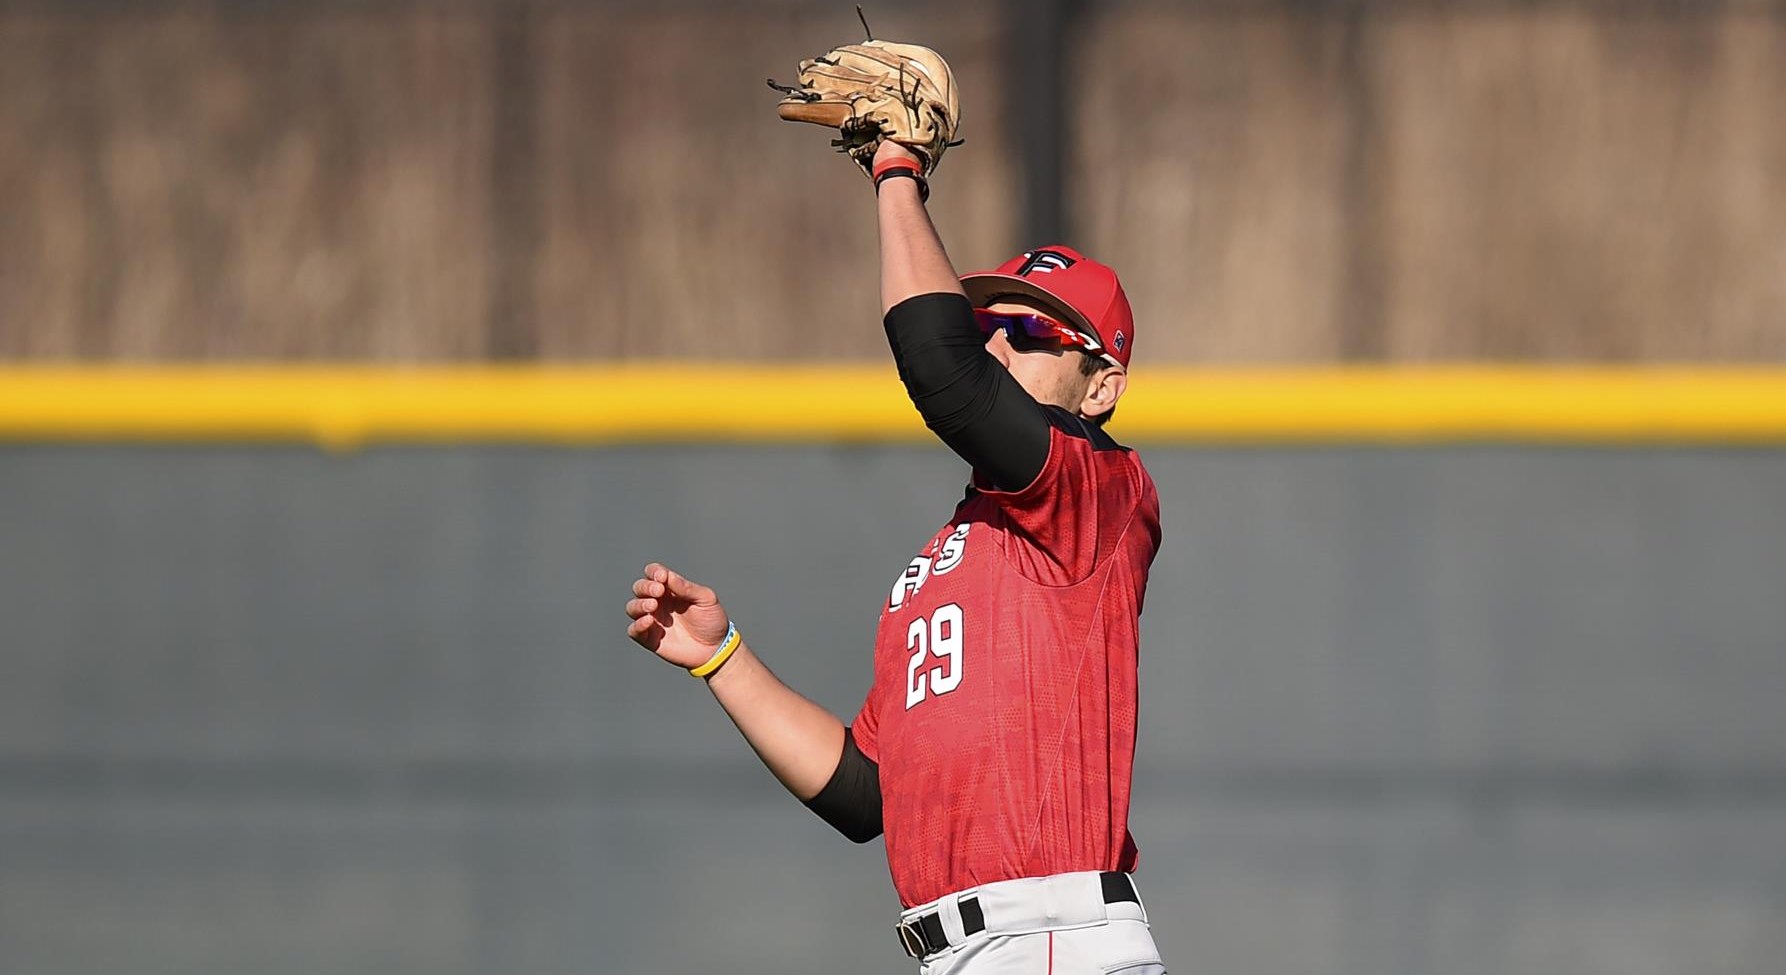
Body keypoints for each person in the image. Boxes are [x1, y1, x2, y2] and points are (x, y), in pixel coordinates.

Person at [622, 138, 1164, 974]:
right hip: (962, 949)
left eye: (1025, 331)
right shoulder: (936, 565)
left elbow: (942, 373)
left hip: (1053, 937)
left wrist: (897, 172)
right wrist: (721, 658)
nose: (993, 345)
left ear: (1100, 385)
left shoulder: (1097, 494)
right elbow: (863, 789)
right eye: (984, 325)